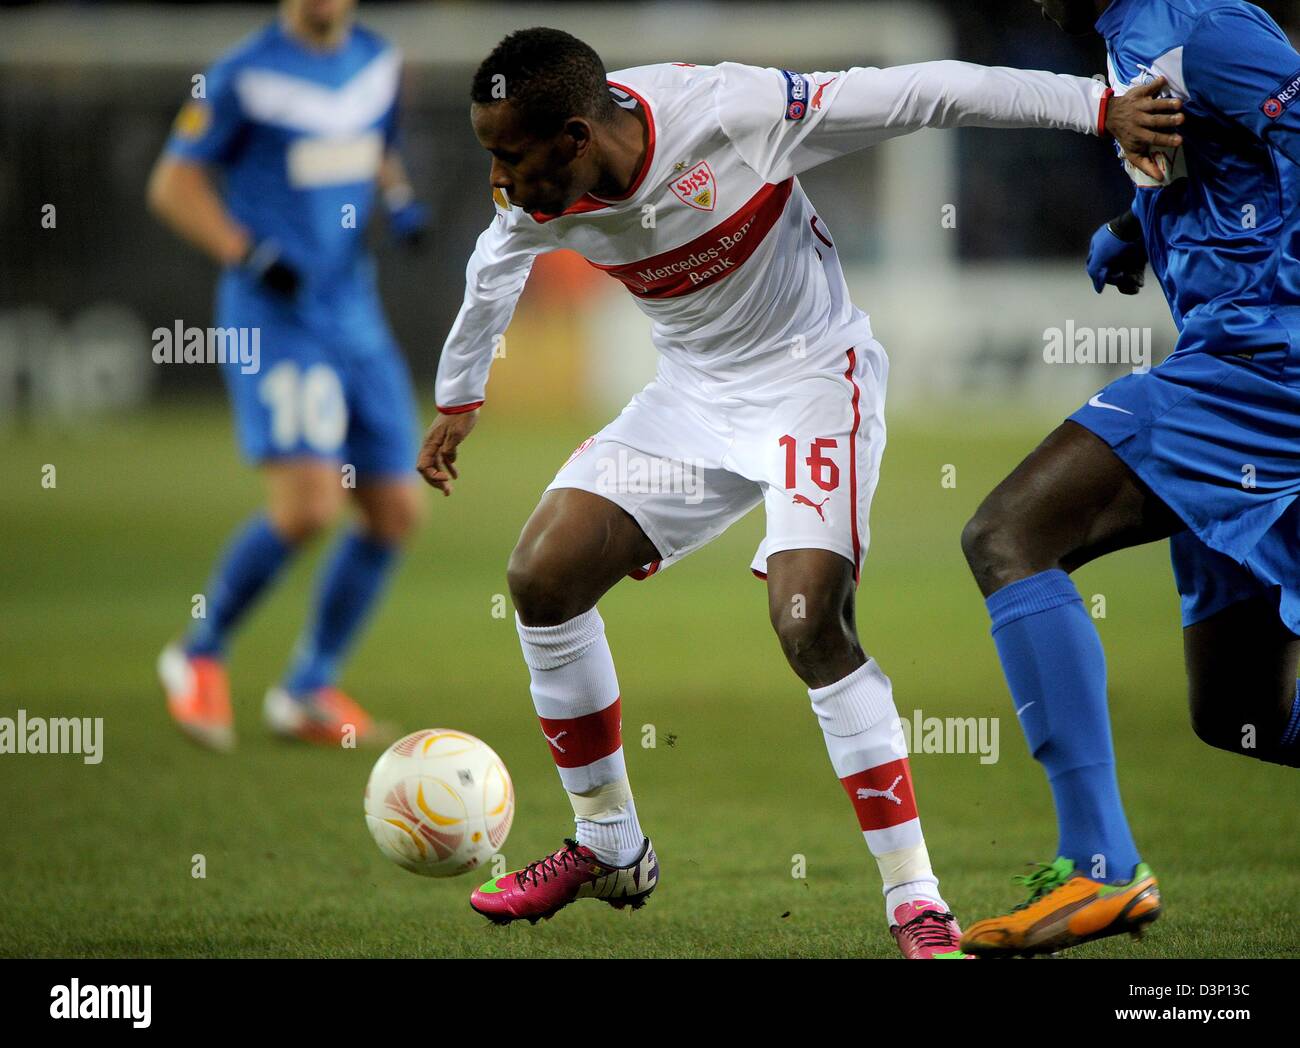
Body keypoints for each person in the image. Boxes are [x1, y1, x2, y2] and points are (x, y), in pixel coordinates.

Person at [418, 26, 1179, 958]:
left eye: (510, 157)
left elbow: (926, 91)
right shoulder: (539, 196)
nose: (501, 182)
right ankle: (609, 845)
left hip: (814, 383)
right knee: (542, 575)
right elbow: (491, 272)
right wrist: (460, 397)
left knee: (807, 617)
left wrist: (1098, 108)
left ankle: (915, 898)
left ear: (577, 136)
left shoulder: (733, 115)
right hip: (690, 399)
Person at [960, 0, 1300, 957]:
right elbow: (1236, 158)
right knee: (1240, 715)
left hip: (1259, 373)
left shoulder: (1210, 25)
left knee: (1009, 534)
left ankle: (1099, 870)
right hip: (1235, 371)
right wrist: (1136, 225)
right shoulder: (1126, 35)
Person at [148, 0, 427, 751]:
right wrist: (246, 252)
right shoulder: (241, 75)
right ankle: (197, 654)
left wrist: (399, 202)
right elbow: (173, 184)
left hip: (353, 309)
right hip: (276, 318)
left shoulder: (379, 61)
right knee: (308, 507)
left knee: (395, 509)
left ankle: (308, 686)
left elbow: (377, 144)